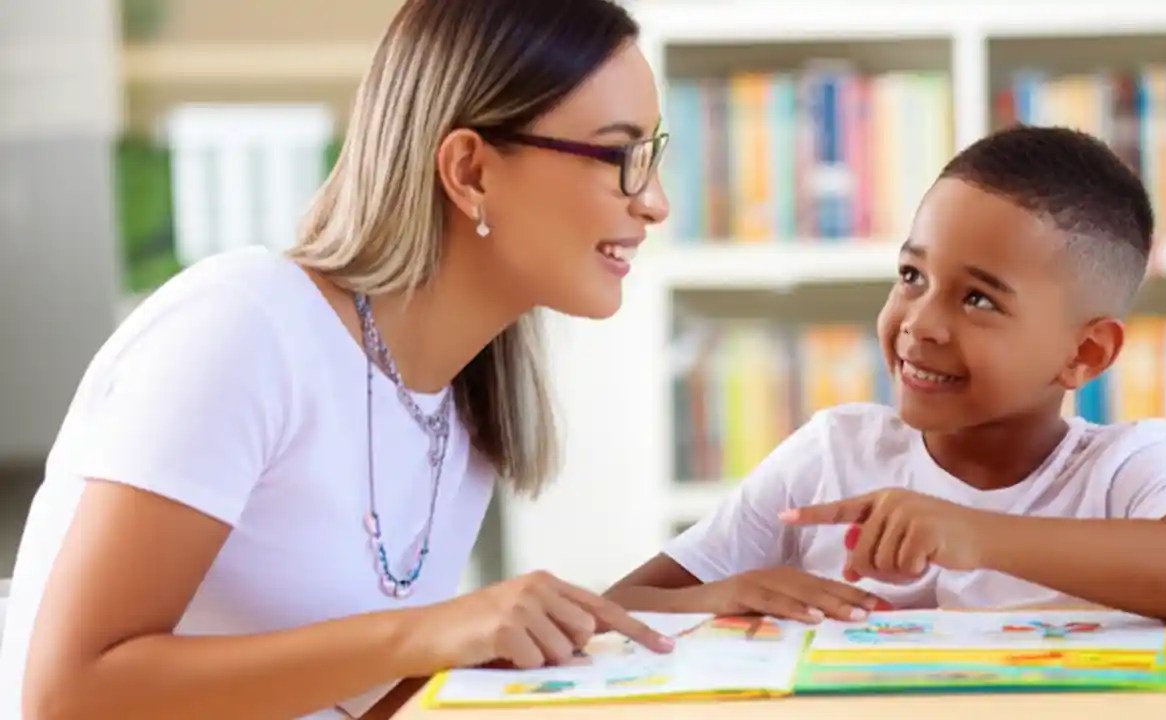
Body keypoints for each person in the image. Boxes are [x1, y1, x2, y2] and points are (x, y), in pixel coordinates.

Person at [0, 0, 674, 718]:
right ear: (471, 171)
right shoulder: (246, 327)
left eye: (652, 156)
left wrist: (667, 612)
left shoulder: (463, 406)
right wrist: (423, 635)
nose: (655, 202)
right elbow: (68, 694)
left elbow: (356, 692)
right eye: (619, 157)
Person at [605, 125, 1166, 626]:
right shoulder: (832, 456)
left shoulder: (1123, 468)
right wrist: (725, 593)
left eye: (978, 299)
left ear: (1086, 355)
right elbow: (623, 605)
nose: (920, 323)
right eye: (912, 276)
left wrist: (974, 534)